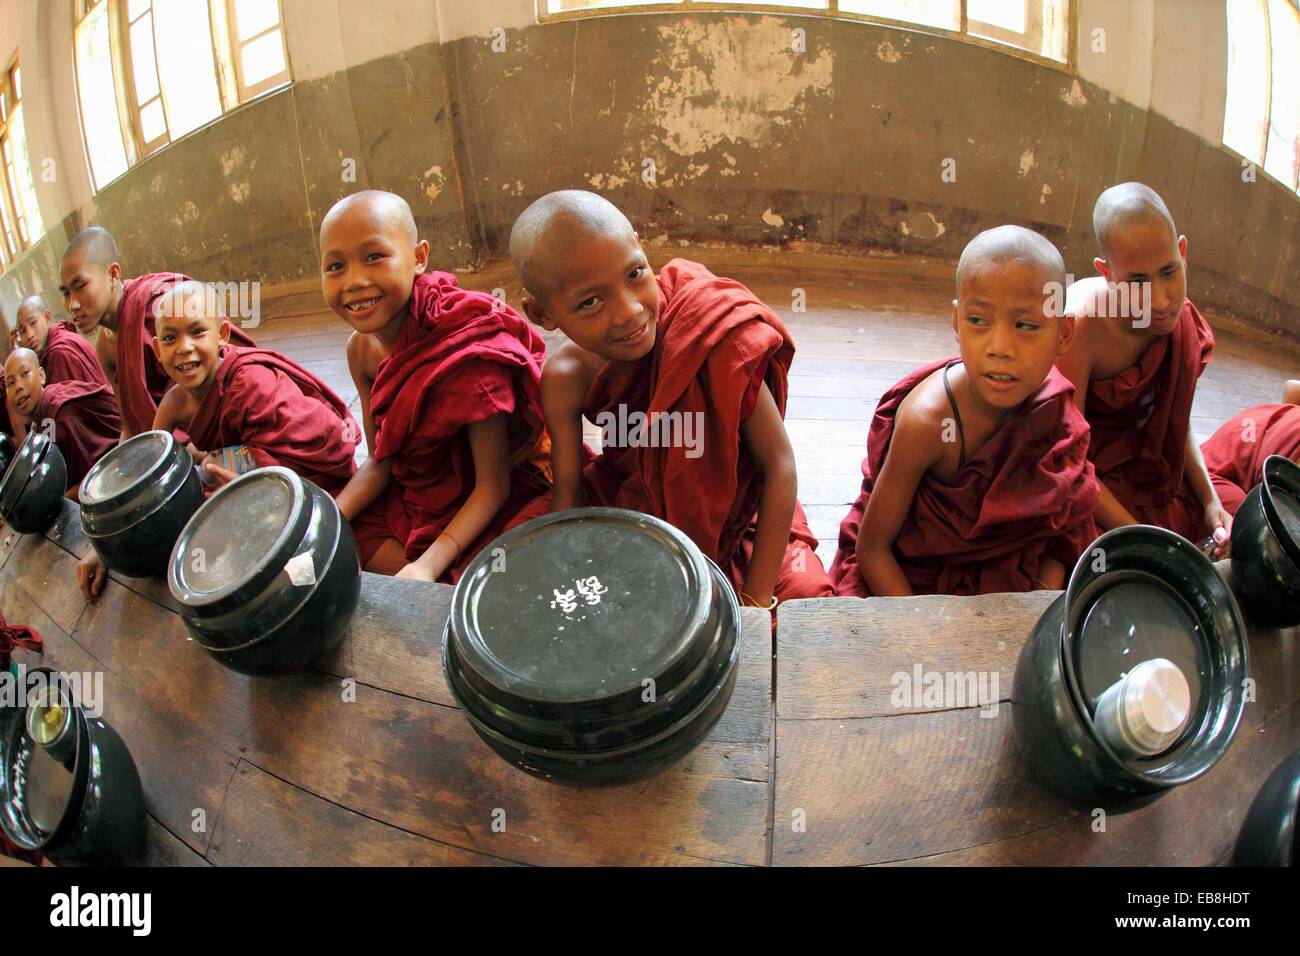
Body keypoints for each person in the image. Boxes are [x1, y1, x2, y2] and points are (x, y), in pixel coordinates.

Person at [508, 189, 832, 609]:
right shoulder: (566, 378)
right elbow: (569, 493)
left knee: (805, 599)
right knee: (516, 566)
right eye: (590, 301)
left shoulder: (710, 330)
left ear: (641, 249)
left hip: (733, 506)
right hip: (628, 498)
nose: (628, 312)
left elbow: (780, 465)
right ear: (542, 315)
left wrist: (755, 600)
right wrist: (565, 568)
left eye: (634, 275)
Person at [830, 225, 1098, 596]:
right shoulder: (928, 421)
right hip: (917, 583)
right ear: (957, 322)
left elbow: (1064, 525)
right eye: (978, 321)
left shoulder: (1053, 402)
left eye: (1025, 325)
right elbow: (873, 550)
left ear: (1063, 334)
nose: (1000, 347)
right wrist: (930, 642)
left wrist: (1038, 601)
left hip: (1013, 579)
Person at [325, 190, 552, 583]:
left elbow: (492, 485)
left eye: (374, 257)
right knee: (342, 535)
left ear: (418, 257)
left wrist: (427, 564)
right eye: (335, 266)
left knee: (494, 570)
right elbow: (381, 460)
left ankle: (442, 581)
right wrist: (326, 519)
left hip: (496, 488)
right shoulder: (360, 350)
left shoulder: (463, 349)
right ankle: (438, 584)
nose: (355, 281)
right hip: (427, 488)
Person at [1057, 183, 1229, 555]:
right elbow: (1068, 459)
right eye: (1138, 281)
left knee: (1233, 516)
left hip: (1146, 469)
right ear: (1107, 272)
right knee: (1078, 551)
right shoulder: (1081, 325)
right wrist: (1141, 536)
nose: (1162, 299)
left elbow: (1174, 421)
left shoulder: (1176, 319)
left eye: (1169, 272)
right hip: (1086, 479)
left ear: (1182, 253)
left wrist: (1211, 499)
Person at [57, 226, 254, 436]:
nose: (72, 305)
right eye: (66, 293)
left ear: (113, 275)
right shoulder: (105, 349)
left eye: (80, 286)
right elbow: (130, 425)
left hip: (225, 423)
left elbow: (222, 372)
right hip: (165, 438)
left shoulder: (160, 306)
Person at [4, 347, 119, 496]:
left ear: (41, 375)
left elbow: (98, 472)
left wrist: (56, 502)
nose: (18, 387)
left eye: (25, 374)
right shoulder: (42, 420)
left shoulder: (59, 411)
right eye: (10, 383)